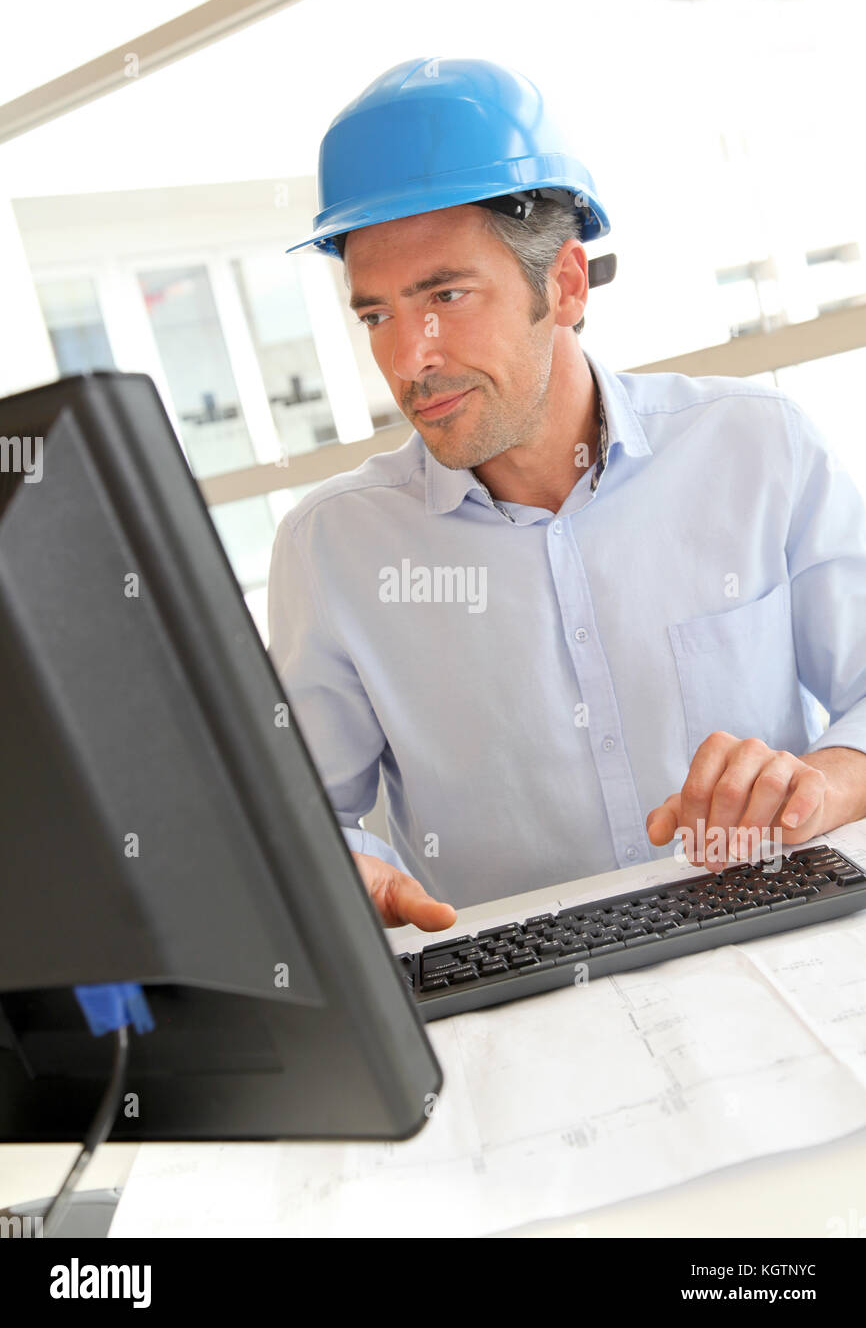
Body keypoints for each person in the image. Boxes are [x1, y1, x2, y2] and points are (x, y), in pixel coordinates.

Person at [268, 56, 866, 931]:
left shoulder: (757, 446)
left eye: (445, 295)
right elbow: (303, 822)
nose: (409, 359)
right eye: (377, 315)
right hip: (521, 1025)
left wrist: (819, 789)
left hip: (781, 950)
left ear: (566, 284)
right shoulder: (332, 550)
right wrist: (338, 875)